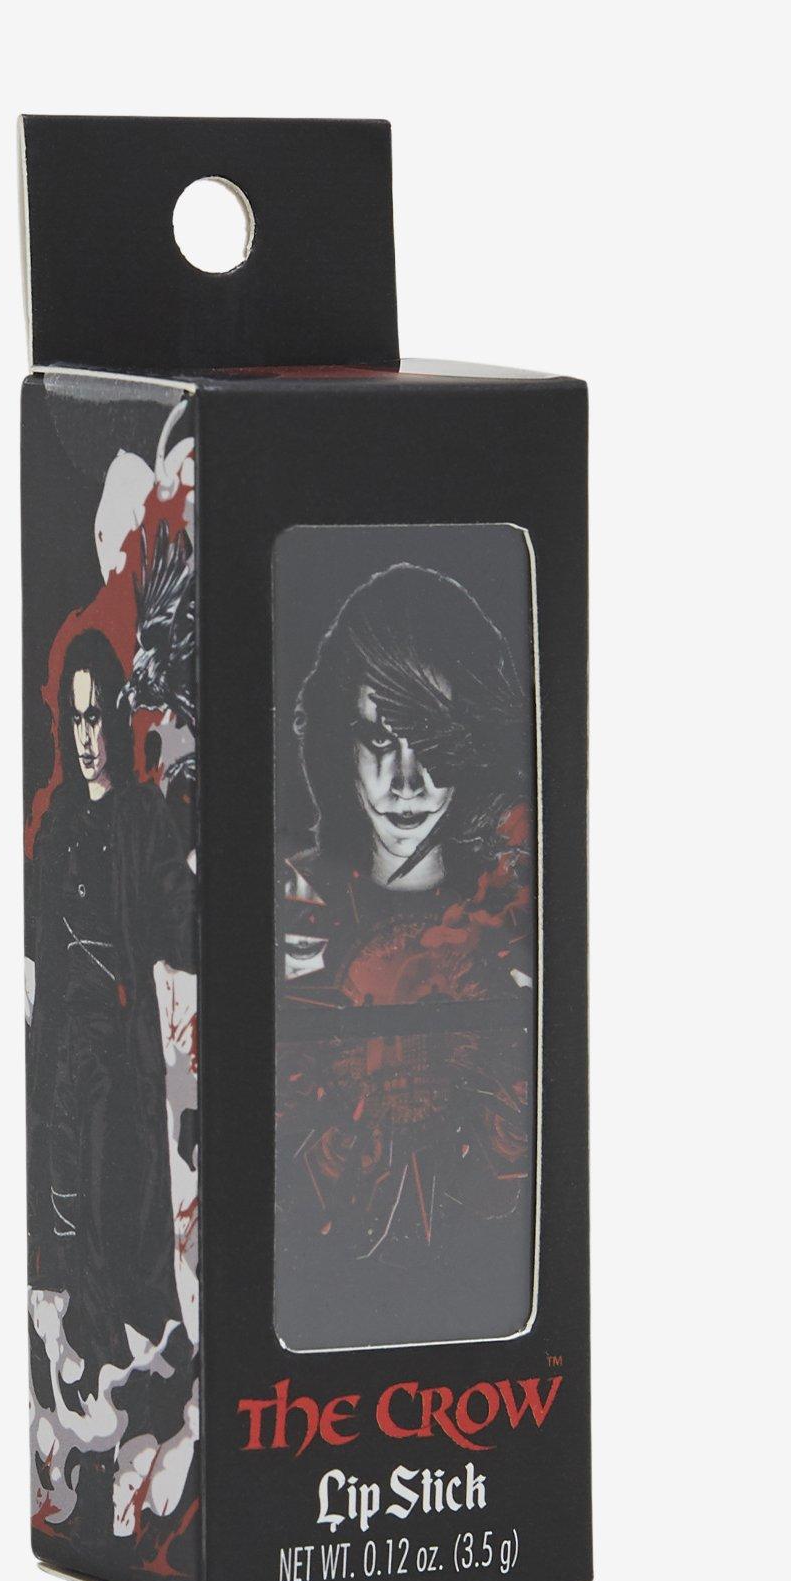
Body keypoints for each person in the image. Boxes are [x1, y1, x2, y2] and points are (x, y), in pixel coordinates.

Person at [274, 563, 536, 1348]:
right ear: (338, 741)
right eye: (379, 738)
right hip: (322, 1304)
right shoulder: (294, 905)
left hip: (484, 1307)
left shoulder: (518, 912)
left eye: (431, 740)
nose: (405, 779)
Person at [26, 628, 197, 1439]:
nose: (88, 736)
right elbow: (36, 947)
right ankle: (84, 1384)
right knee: (64, 1209)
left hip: (119, 1055)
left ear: (118, 721)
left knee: (115, 1208)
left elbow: (181, 922)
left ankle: (133, 1382)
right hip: (60, 1050)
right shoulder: (57, 824)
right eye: (77, 719)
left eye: (99, 717)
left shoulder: (142, 817)